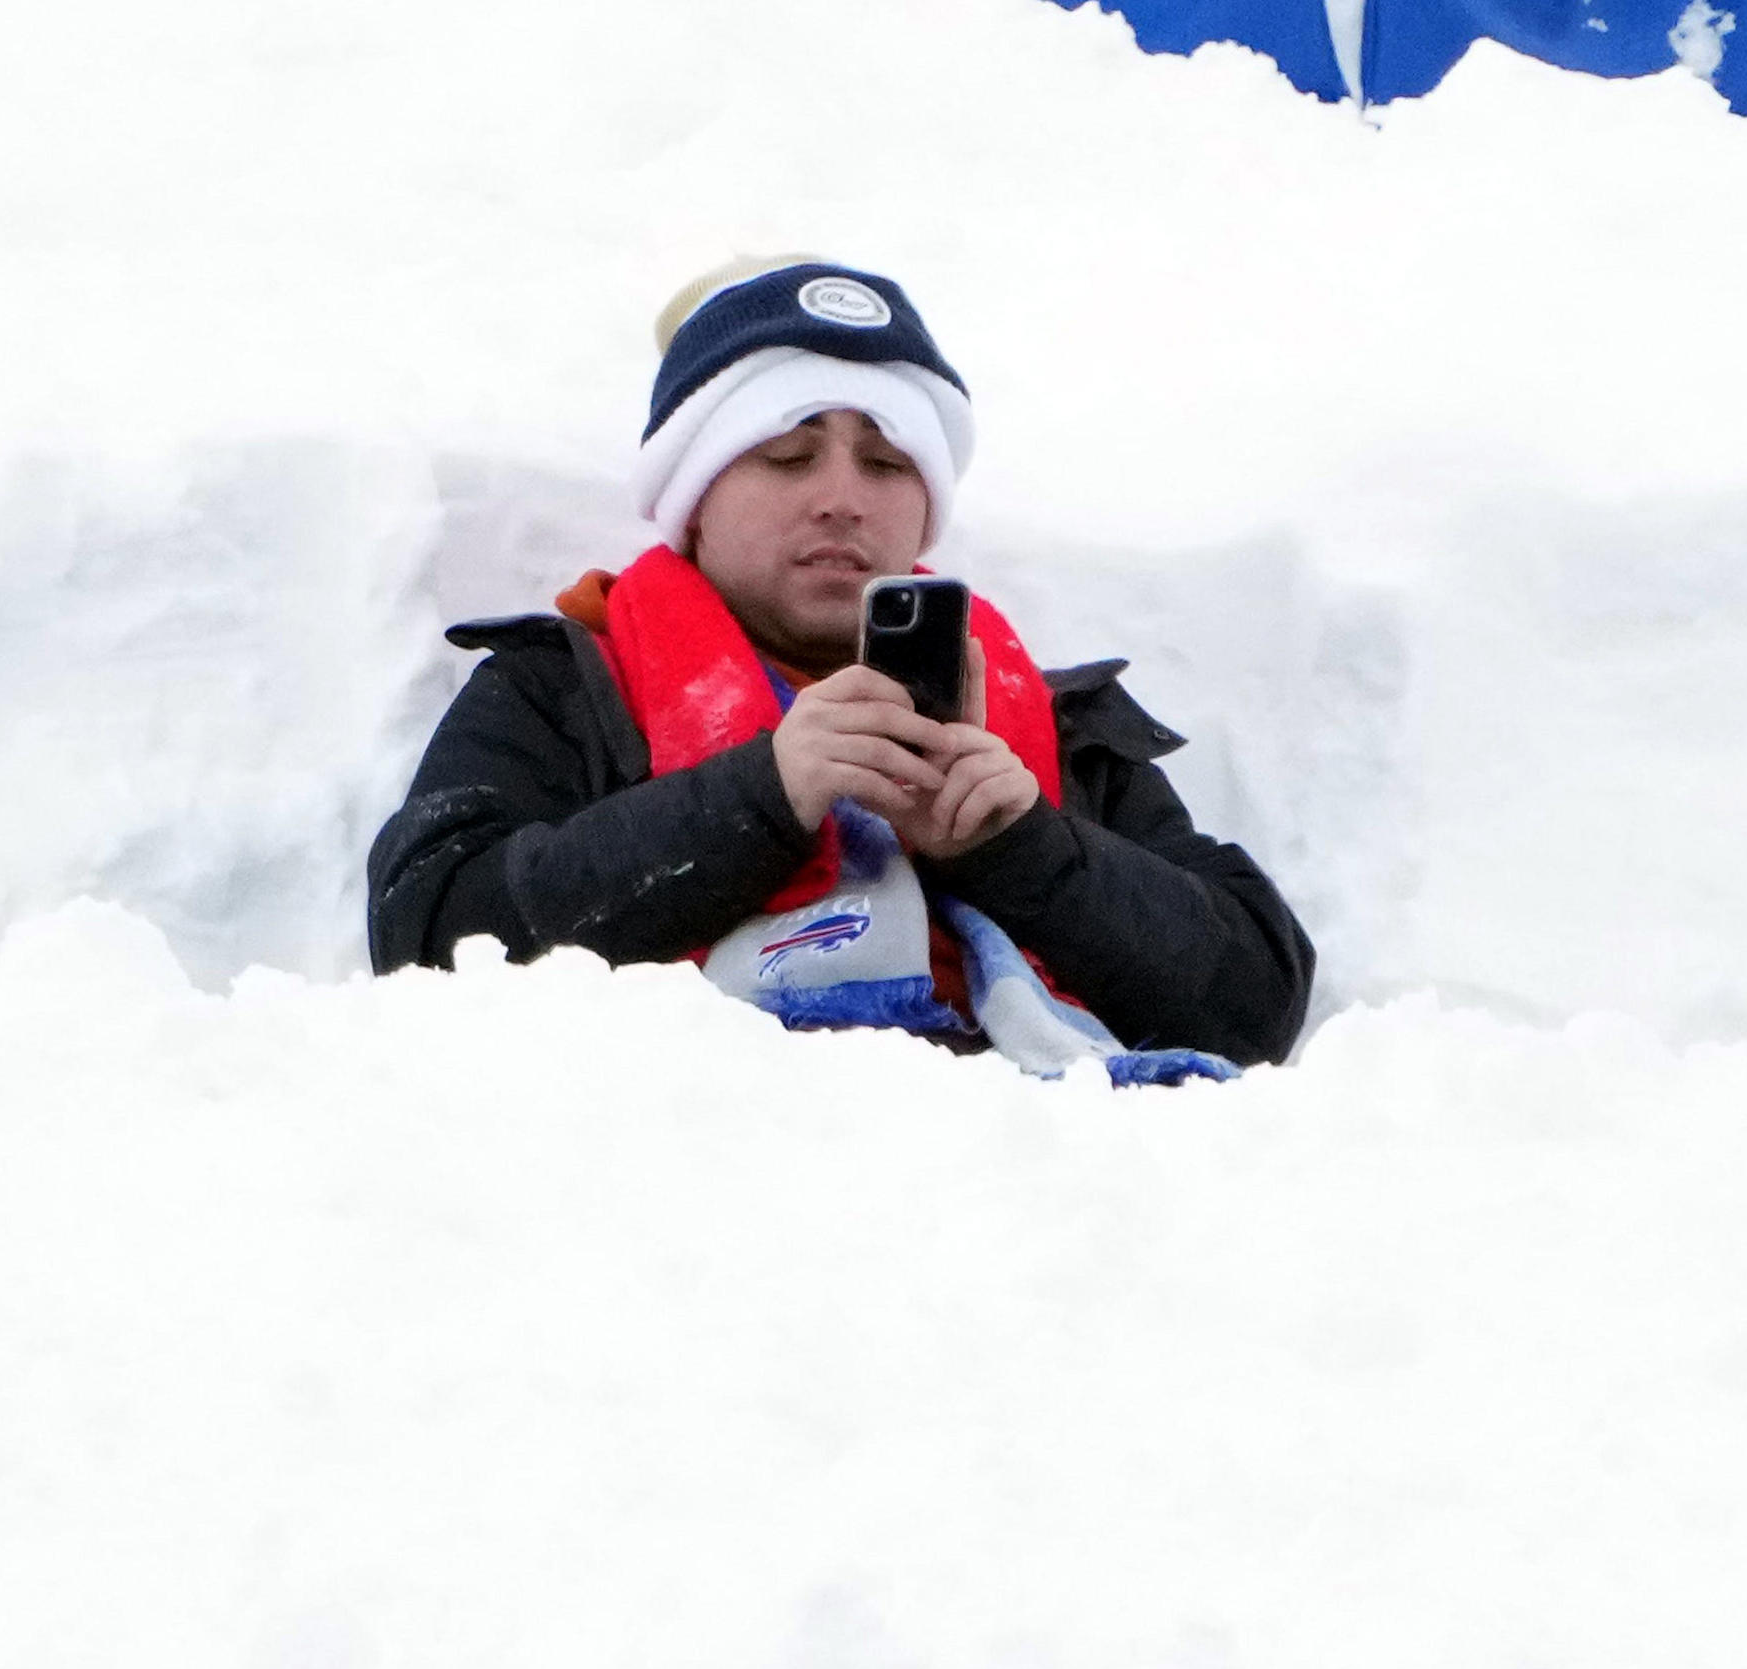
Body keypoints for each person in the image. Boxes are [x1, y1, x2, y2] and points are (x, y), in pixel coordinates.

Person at [366, 258, 1312, 1080]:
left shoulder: (1059, 726)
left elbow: (1256, 1000)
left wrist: (1014, 844)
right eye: (788, 456)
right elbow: (429, 936)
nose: (841, 500)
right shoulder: (565, 686)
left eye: (889, 465)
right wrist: (761, 797)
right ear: (693, 501)